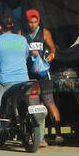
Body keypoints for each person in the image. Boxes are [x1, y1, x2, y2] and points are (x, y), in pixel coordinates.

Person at [0, 15, 40, 153]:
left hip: (5, 82)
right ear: (12, 27)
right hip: (24, 80)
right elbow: (25, 56)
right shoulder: (22, 40)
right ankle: (40, 139)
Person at [24, 9, 63, 145]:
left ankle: (58, 134)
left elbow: (53, 49)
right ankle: (31, 135)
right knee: (29, 104)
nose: (33, 25)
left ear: (39, 21)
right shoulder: (22, 35)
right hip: (28, 74)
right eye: (30, 22)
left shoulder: (44, 33)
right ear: (27, 22)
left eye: (35, 22)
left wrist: (52, 55)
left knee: (49, 101)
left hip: (43, 75)